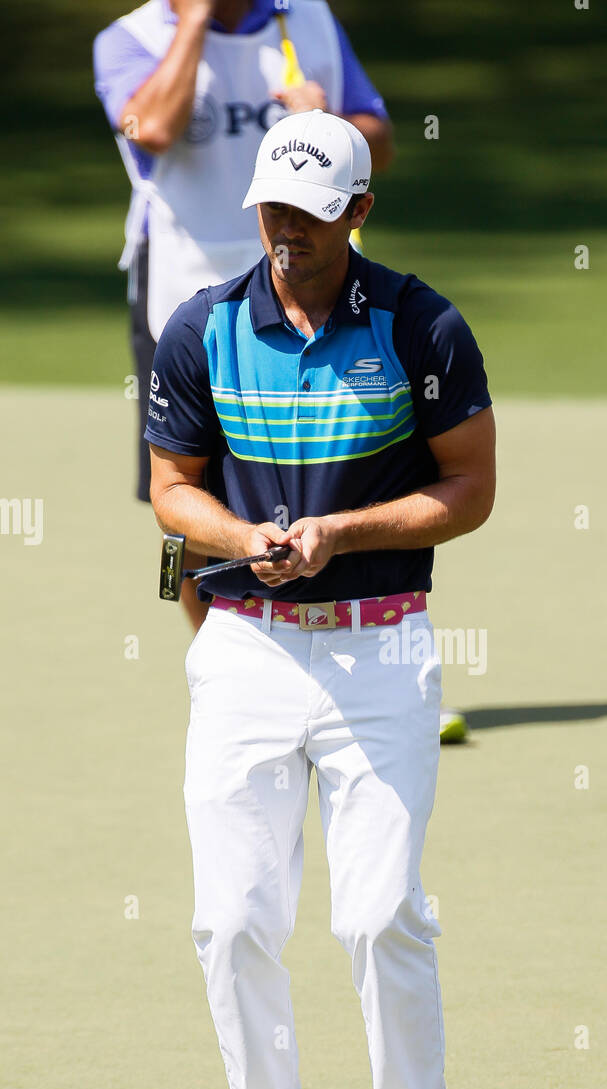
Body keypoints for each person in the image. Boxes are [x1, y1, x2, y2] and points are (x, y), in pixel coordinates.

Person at [146, 109, 496, 1089]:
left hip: (380, 647)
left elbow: (469, 486)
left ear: (357, 211)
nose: (284, 228)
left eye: (308, 209)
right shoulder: (202, 325)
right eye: (271, 207)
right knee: (232, 918)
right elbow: (172, 487)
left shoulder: (419, 325)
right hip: (243, 649)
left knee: (379, 910)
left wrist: (341, 534)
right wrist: (245, 540)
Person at [93, 0, 393, 626]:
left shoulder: (308, 18)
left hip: (314, 283)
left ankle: (375, 656)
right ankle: (217, 665)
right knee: (189, 497)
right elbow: (151, 128)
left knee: (352, 476)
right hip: (183, 289)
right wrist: (196, 21)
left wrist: (328, 123)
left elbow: (379, 144)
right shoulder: (130, 38)